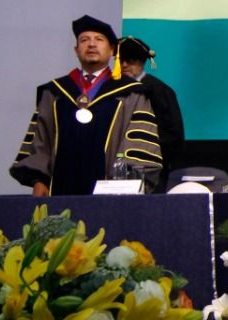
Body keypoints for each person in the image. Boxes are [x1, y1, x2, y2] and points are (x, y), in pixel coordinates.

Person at [11, 15, 163, 195]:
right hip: (59, 191)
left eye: (99, 39)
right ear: (76, 50)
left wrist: (124, 183)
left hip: (111, 195)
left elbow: (138, 146)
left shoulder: (131, 93)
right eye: (84, 40)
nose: (91, 44)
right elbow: (41, 140)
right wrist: (39, 179)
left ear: (112, 50)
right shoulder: (55, 92)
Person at [118, 36, 186, 188]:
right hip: (116, 168)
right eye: (121, 60)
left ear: (142, 62)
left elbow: (173, 133)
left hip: (153, 166)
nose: (124, 65)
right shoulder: (113, 89)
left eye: (130, 60)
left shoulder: (159, 90)